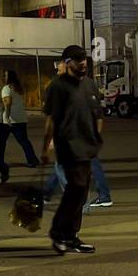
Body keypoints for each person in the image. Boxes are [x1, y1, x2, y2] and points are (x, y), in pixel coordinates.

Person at [42, 46, 104, 254]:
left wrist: (97, 138)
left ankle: (71, 235)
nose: (83, 63)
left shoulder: (90, 85)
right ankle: (59, 233)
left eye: (84, 59)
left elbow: (98, 115)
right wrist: (45, 148)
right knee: (75, 189)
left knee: (81, 193)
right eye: (78, 60)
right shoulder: (57, 87)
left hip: (88, 147)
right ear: (67, 62)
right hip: (68, 146)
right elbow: (50, 121)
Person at [0, 69, 39, 171]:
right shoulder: (18, 88)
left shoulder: (7, 88)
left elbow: (7, 103)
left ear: (9, 77)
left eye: (5, 75)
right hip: (21, 118)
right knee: (24, 141)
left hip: (9, 120)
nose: (3, 77)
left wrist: (6, 116)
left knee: (1, 142)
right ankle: (32, 160)